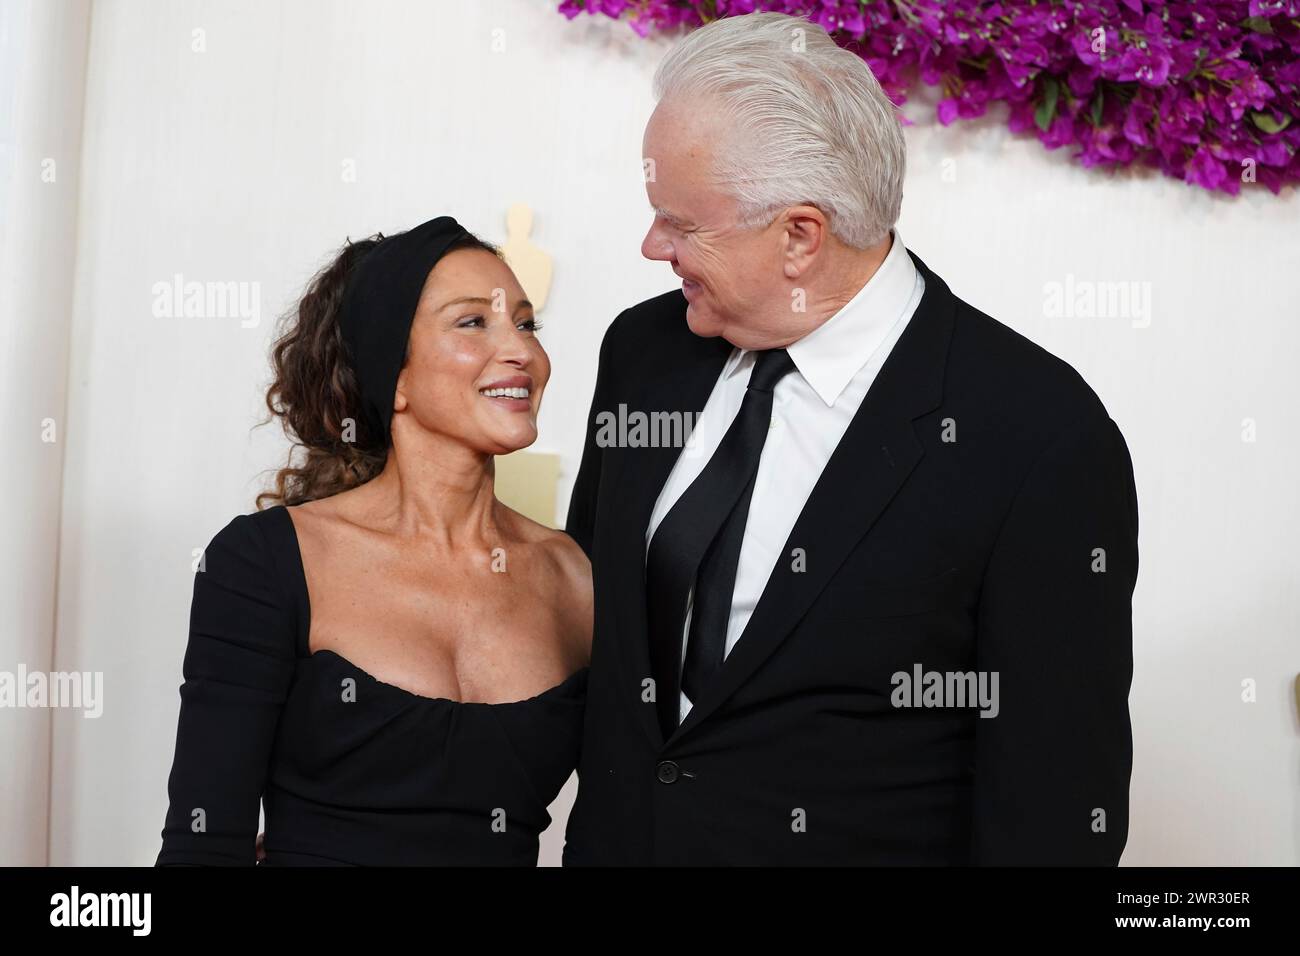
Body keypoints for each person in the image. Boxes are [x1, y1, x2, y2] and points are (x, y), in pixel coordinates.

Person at [562, 12, 1139, 865]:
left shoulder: (1037, 436)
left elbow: (1052, 806)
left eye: (682, 224)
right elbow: (587, 622)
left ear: (801, 235)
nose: (654, 247)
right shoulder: (646, 353)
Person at [157, 216, 592, 865]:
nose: (522, 352)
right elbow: (204, 845)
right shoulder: (269, 562)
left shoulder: (575, 575)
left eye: (526, 323)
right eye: (473, 323)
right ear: (396, 374)